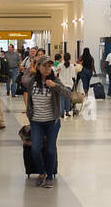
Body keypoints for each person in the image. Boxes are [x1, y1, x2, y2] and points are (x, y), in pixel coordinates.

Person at [22, 56, 63, 187]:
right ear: (39, 67)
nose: (47, 69)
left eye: (49, 66)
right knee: (35, 149)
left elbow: (68, 94)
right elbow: (23, 80)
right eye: (44, 66)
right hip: (36, 122)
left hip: (52, 122)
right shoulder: (32, 81)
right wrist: (31, 69)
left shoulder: (55, 80)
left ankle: (50, 176)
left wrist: (55, 86)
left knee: (50, 150)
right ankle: (41, 173)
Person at [56, 52, 78, 117]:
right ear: (70, 58)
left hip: (61, 84)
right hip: (69, 84)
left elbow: (56, 72)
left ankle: (62, 113)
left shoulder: (60, 65)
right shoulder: (72, 66)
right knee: (68, 99)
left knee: (61, 99)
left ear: (64, 58)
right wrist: (74, 85)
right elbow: (73, 76)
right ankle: (67, 112)